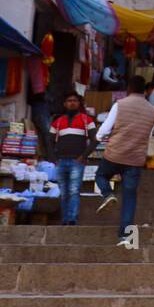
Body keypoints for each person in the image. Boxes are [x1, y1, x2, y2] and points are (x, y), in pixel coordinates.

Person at [94, 77, 154, 244]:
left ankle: (107, 194)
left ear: (128, 89)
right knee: (130, 197)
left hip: (114, 154)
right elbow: (149, 135)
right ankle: (126, 236)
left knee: (100, 175)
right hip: (135, 159)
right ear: (145, 90)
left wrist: (99, 137)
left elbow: (103, 130)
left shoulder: (120, 105)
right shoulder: (152, 111)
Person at [50, 92, 96, 226]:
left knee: (74, 191)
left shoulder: (87, 120)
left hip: (77, 161)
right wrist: (54, 159)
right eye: (69, 101)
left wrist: (84, 156)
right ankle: (65, 220)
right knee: (64, 193)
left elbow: (95, 140)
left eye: (74, 101)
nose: (72, 103)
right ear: (65, 104)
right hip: (61, 162)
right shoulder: (57, 122)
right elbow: (49, 141)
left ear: (79, 103)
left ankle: (72, 220)